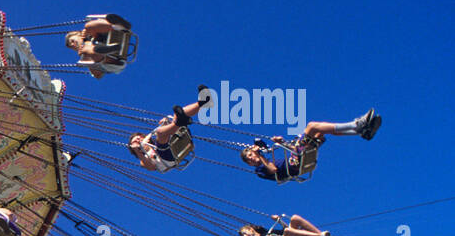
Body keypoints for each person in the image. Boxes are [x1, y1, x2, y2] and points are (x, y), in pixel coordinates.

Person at [240, 109, 381, 181]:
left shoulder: (267, 157)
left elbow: (293, 150)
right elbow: (273, 170)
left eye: (251, 154)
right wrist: (260, 155)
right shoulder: (259, 170)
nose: (252, 157)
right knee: (312, 126)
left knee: (321, 133)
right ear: (250, 164)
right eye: (249, 159)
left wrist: (282, 143)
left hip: (297, 159)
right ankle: (356, 125)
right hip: (295, 164)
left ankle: (361, 132)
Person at [127, 95, 205, 171]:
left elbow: (160, 135)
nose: (139, 140)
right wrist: (137, 150)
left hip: (177, 141)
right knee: (160, 132)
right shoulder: (143, 160)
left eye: (140, 137)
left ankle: (202, 103)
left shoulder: (156, 143)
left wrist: (165, 122)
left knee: (175, 115)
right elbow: (150, 166)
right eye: (136, 141)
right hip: (167, 158)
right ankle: (179, 122)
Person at [65, 14, 132, 77]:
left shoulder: (89, 35)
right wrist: (85, 61)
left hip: (110, 38)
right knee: (87, 50)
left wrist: (87, 32)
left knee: (88, 26)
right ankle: (109, 49)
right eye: (71, 46)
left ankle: (119, 25)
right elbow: (98, 75)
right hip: (113, 61)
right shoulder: (83, 56)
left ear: (79, 35)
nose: (73, 44)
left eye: (72, 41)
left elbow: (94, 30)